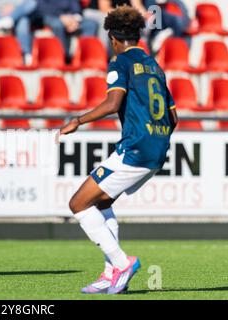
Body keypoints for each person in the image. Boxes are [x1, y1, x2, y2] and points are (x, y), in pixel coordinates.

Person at [56, 5, 178, 294]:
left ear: (112, 37)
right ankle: (112, 275)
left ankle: (121, 263)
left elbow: (112, 104)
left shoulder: (120, 62)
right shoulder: (154, 66)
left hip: (134, 148)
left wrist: (77, 120)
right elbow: (173, 118)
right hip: (157, 149)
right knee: (102, 202)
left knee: (78, 204)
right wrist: (156, 139)